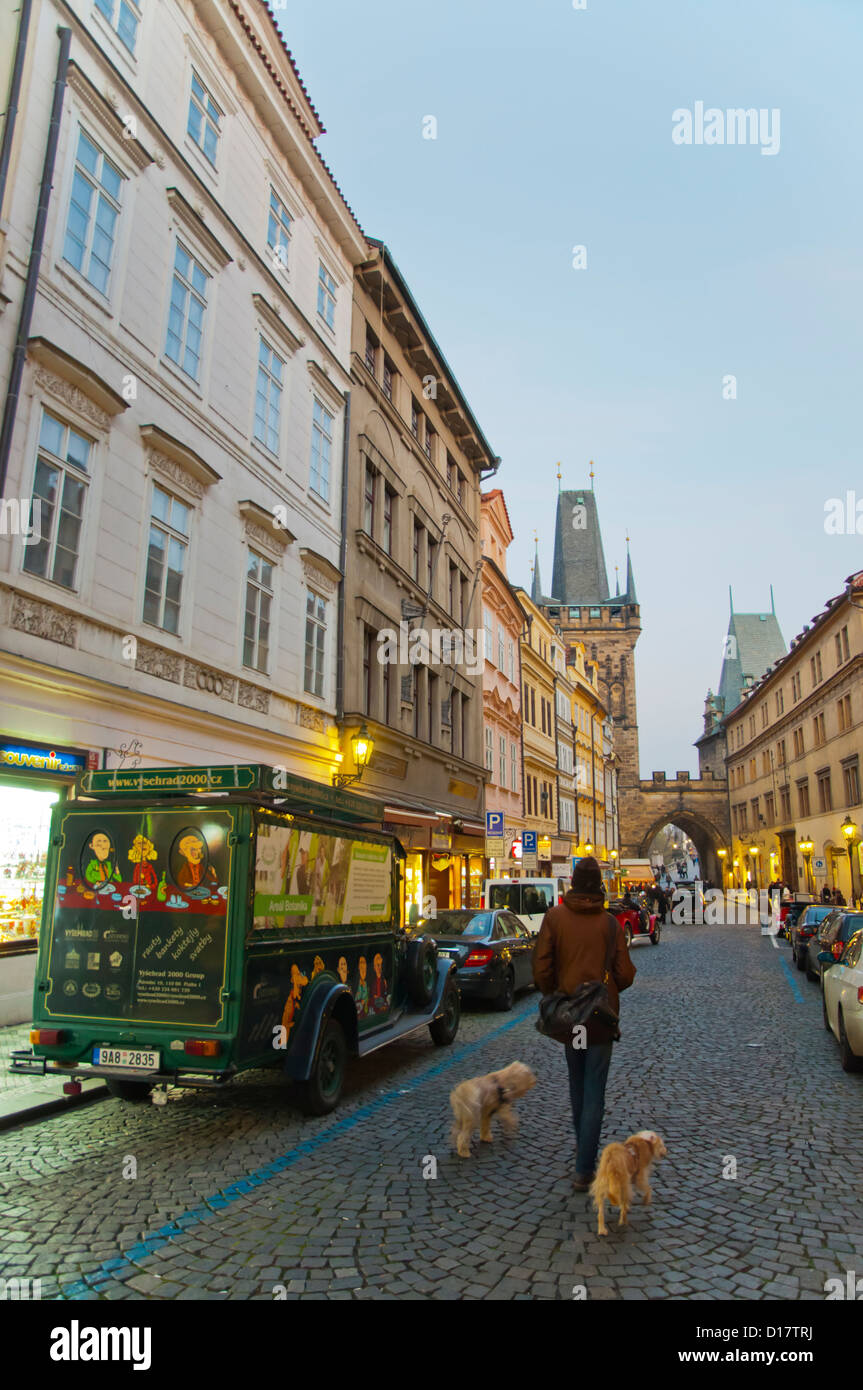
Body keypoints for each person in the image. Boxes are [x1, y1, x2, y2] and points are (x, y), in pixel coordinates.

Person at [533, 856, 636, 1191]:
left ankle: (583, 1158)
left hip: (571, 1021)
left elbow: (542, 969)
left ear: (574, 883)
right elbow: (624, 974)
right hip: (599, 1020)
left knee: (577, 1086)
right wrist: (606, 985)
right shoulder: (609, 923)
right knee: (595, 1091)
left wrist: (560, 994)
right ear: (599, 886)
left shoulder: (555, 918)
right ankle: (584, 1167)